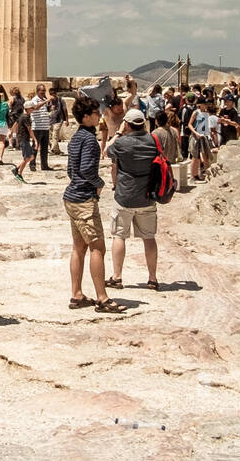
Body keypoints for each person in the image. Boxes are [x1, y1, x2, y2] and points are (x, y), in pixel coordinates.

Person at [63, 95, 125, 313]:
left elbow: (71, 170)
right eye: (97, 113)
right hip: (83, 199)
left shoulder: (75, 137)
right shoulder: (89, 140)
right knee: (97, 247)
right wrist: (99, 183)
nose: (100, 117)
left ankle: (77, 294)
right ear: (87, 116)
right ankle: (102, 298)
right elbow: (87, 170)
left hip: (71, 196)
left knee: (78, 247)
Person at [106, 108, 160, 290]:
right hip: (147, 196)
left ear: (127, 124)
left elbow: (106, 151)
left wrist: (119, 132)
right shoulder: (153, 141)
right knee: (149, 237)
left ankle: (117, 276)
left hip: (125, 196)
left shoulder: (122, 143)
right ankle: (152, 278)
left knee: (119, 235)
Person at [26, 82, 54, 171]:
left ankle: (44, 165)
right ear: (37, 91)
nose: (44, 92)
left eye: (44, 91)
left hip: (45, 127)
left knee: (45, 148)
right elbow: (36, 107)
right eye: (42, 91)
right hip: (37, 127)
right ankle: (32, 164)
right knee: (35, 147)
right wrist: (46, 101)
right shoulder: (35, 99)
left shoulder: (44, 99)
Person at [10, 88, 36, 181]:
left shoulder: (22, 116)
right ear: (28, 108)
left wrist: (11, 132)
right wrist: (35, 140)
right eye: (32, 108)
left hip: (23, 138)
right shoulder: (25, 117)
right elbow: (29, 130)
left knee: (31, 156)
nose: (33, 109)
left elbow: (15, 123)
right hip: (24, 139)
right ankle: (19, 174)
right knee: (28, 157)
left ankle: (16, 169)